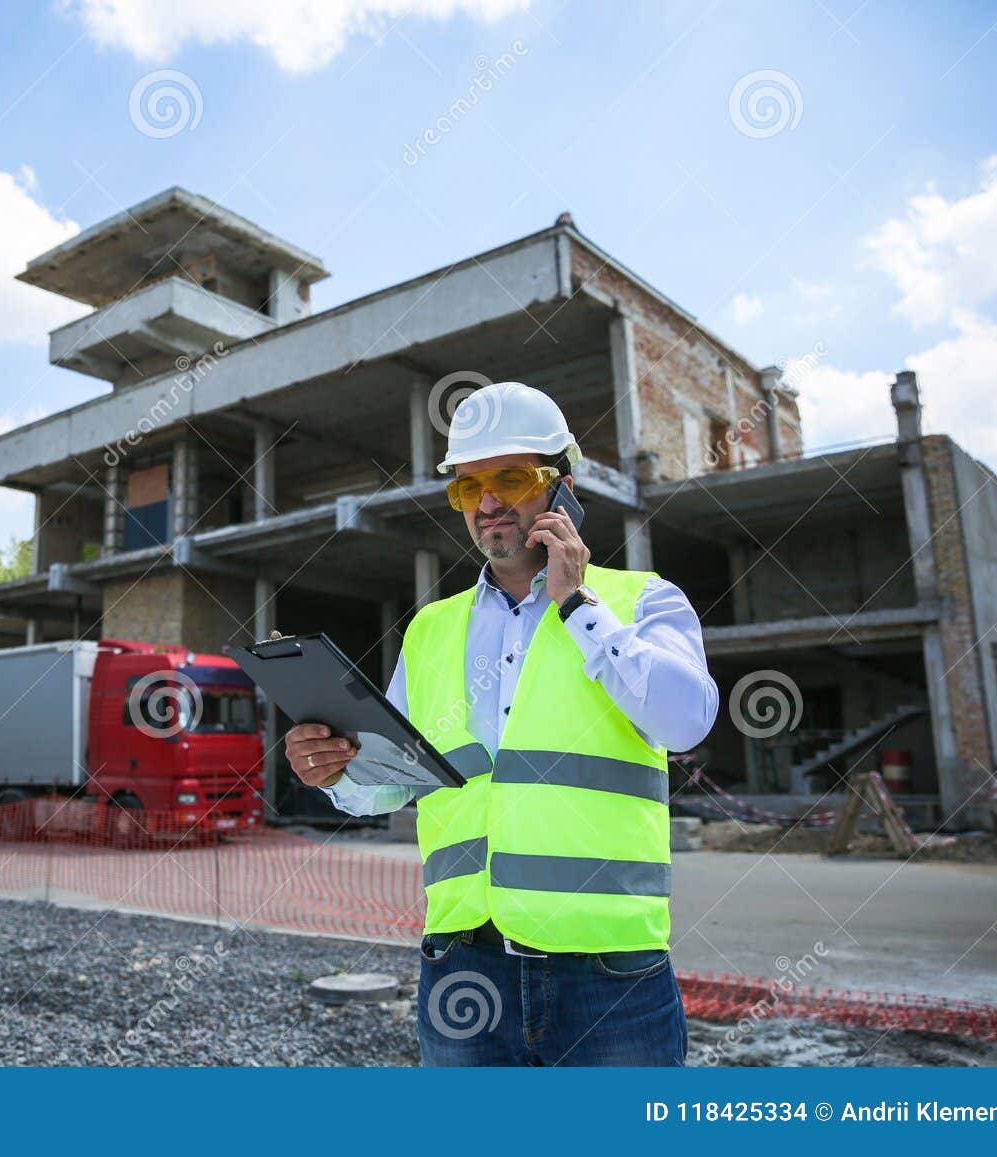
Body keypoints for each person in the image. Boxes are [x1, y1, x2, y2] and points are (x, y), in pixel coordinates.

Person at [285, 381, 717, 1066]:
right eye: (467, 487)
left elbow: (686, 718)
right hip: (463, 967)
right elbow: (395, 781)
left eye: (510, 479)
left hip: (609, 978)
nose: (487, 503)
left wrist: (579, 605)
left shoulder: (642, 602)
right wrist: (335, 771)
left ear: (562, 489)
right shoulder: (430, 630)